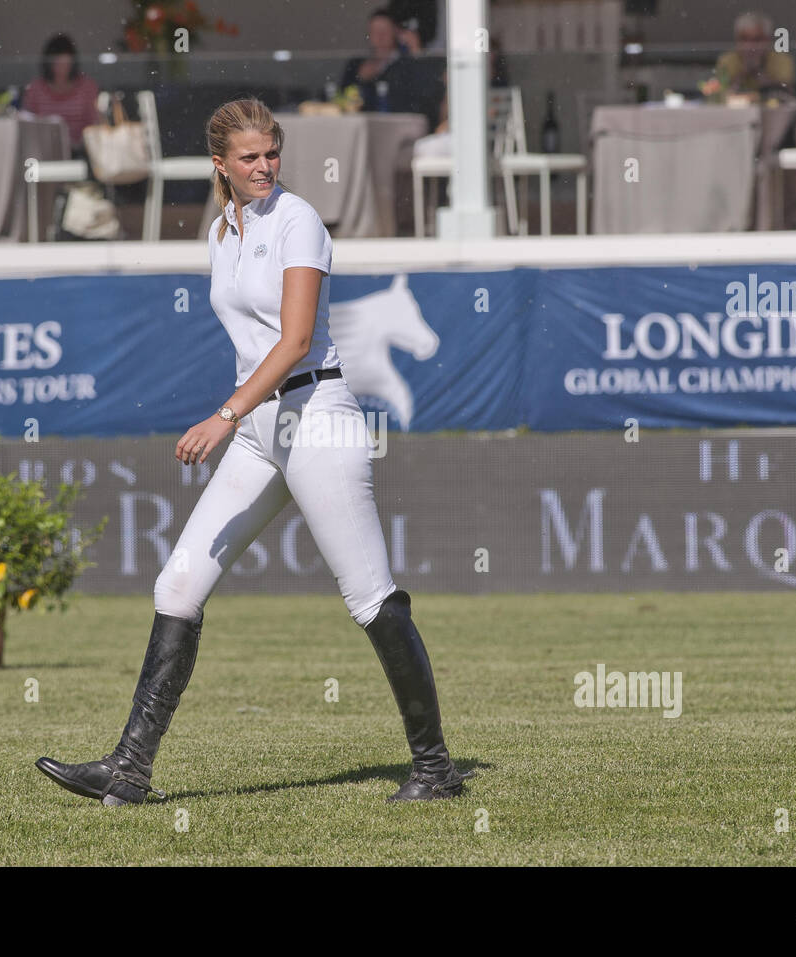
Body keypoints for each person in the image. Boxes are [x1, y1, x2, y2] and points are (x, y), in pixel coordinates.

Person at [36, 97, 470, 806]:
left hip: (316, 417)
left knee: (370, 598)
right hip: (261, 429)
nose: (264, 166)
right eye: (249, 157)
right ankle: (129, 768)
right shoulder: (220, 232)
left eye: (271, 152)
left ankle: (435, 768)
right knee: (177, 585)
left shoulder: (298, 219)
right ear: (221, 165)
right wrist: (241, 415)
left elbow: (296, 341)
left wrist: (223, 415)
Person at [22, 34, 100, 155]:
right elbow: (29, 125)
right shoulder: (35, 89)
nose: (62, 68)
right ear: (49, 64)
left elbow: (94, 123)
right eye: (58, 63)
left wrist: (79, 145)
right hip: (44, 153)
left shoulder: (87, 87)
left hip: (81, 152)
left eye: (66, 64)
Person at [713, 11, 794, 95]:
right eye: (744, 39)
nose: (750, 45)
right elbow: (720, 95)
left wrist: (758, 72)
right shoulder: (726, 60)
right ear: (737, 40)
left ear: (767, 40)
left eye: (757, 40)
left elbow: (786, 93)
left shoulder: (781, 60)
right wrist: (743, 72)